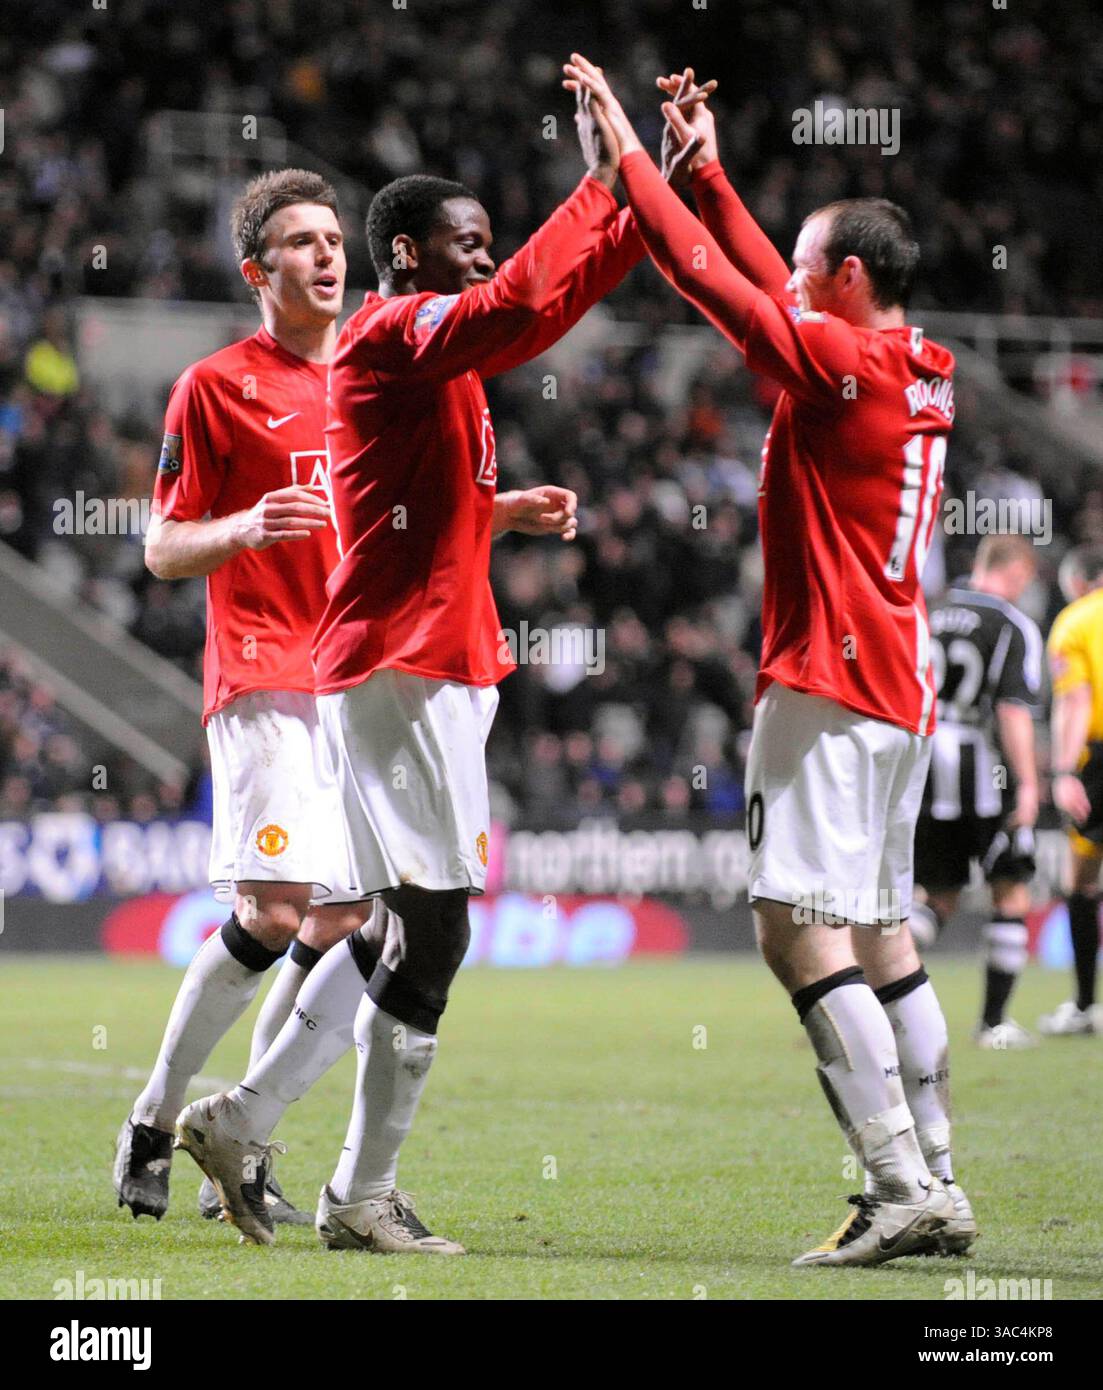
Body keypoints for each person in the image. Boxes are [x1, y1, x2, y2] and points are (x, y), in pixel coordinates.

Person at [176, 86, 658, 1251]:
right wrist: (610, 184)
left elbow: (521, 322)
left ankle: (245, 1122)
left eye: (491, 239)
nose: (484, 256)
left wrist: (642, 200)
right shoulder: (396, 333)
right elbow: (523, 307)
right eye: (465, 239)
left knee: (398, 928)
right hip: (401, 665)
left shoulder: (431, 356)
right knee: (435, 935)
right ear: (407, 253)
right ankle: (353, 1193)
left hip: (419, 661)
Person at [564, 55, 970, 1266]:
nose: (782, 285)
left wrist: (634, 159)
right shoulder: (903, 365)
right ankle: (935, 1175)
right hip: (895, 686)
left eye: (802, 270)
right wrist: (713, 170)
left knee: (795, 927)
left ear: (845, 280)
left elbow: (707, 278)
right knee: (882, 932)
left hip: (828, 679)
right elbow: (756, 275)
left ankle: (896, 1183)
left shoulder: (841, 371)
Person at [116, 168, 575, 1225]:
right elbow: (158, 545)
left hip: (365, 670)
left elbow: (410, 517)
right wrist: (241, 528)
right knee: (276, 911)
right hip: (271, 665)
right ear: (255, 270)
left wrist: (500, 514)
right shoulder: (216, 384)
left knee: (353, 919)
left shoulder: (387, 359)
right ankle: (154, 1116)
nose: (326, 255)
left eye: (333, 237)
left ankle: (245, 1131)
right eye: (300, 243)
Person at [910, 536, 1043, 1049]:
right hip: (981, 770)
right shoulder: (1010, 624)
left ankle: (876, 993)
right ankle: (993, 1023)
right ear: (1015, 572)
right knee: (1010, 887)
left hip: (923, 764)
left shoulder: (930, 612)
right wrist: (1029, 782)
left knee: (936, 895)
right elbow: (1012, 710)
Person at [1038, 543, 1103, 1036]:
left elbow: (1075, 701)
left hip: (1098, 759)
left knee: (1081, 878)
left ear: (1080, 581)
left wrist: (1061, 771)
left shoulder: (1076, 622)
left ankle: (1084, 1006)